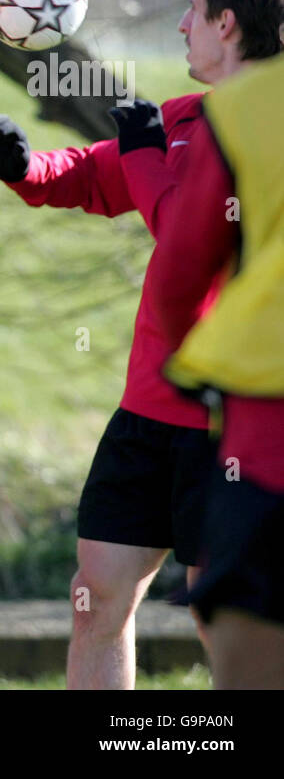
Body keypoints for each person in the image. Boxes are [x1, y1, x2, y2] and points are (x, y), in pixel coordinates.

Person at [0, 0, 284, 689]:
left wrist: (145, 159)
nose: (182, 26)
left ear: (229, 25)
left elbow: (190, 240)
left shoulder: (265, 133)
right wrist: (25, 167)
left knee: (228, 629)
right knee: (96, 600)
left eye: (193, 9)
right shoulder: (180, 118)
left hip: (229, 421)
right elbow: (96, 174)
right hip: (147, 411)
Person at [146, 49, 284, 689]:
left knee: (250, 660)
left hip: (266, 431)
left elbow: (180, 274)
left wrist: (195, 362)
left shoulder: (240, 108)